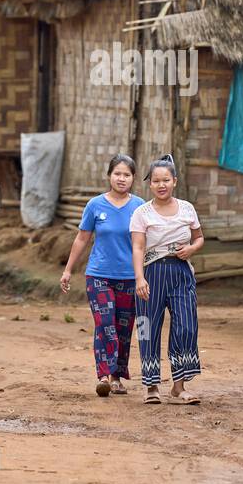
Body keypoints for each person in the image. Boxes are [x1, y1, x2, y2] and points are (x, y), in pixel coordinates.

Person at [61, 155, 145, 396]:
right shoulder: (95, 205)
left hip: (129, 277)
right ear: (109, 176)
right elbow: (82, 238)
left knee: (124, 327)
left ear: (133, 178)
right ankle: (104, 375)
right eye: (117, 174)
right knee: (105, 323)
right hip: (99, 275)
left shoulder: (140, 206)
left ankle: (118, 376)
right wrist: (68, 270)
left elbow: (146, 242)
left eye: (126, 175)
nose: (121, 178)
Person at [130, 155, 204, 405]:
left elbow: (199, 238)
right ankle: (151, 386)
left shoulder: (187, 209)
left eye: (166, 180)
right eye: (156, 181)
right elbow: (138, 248)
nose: (161, 185)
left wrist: (191, 250)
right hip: (151, 274)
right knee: (147, 327)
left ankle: (179, 386)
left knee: (186, 325)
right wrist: (139, 278)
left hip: (181, 273)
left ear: (175, 181)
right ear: (149, 184)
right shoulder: (142, 213)